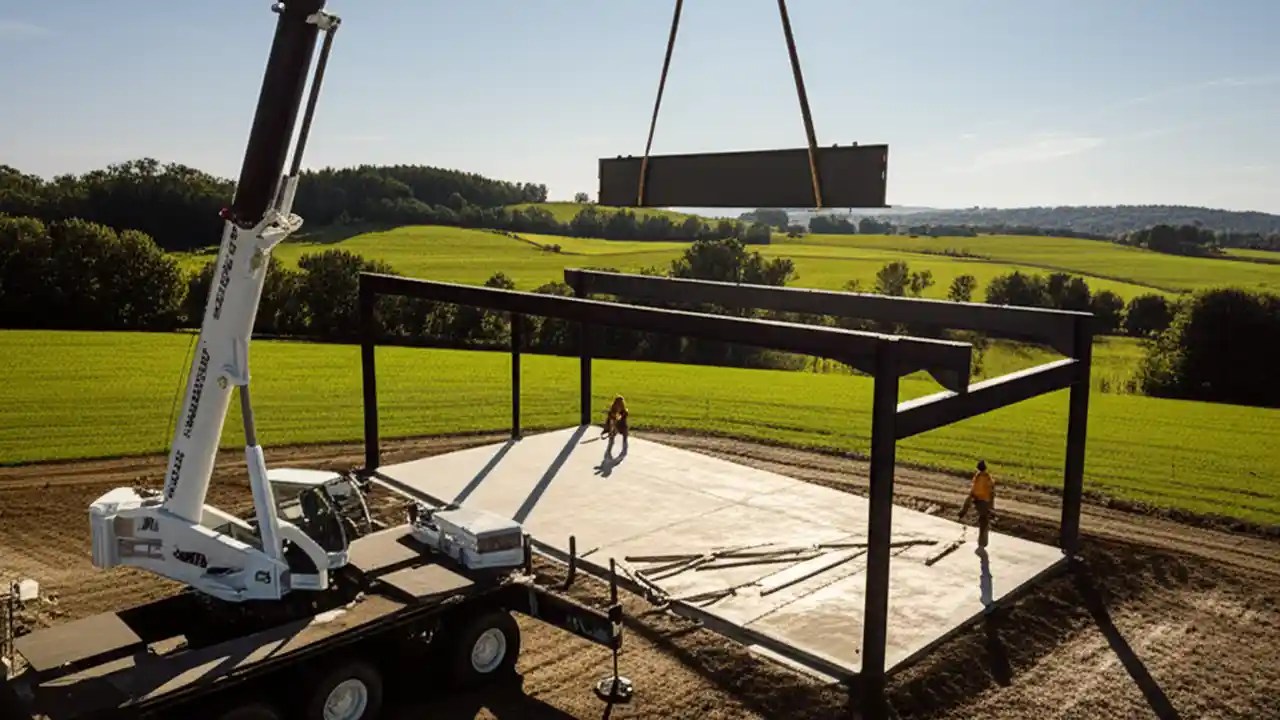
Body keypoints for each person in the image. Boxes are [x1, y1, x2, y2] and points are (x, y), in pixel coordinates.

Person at [959, 460, 994, 549]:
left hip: (978, 500)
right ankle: (982, 541)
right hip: (985, 501)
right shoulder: (988, 477)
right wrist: (991, 504)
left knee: (982, 519)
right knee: (984, 519)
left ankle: (962, 513)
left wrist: (971, 497)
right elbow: (991, 491)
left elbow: (974, 489)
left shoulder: (978, 476)